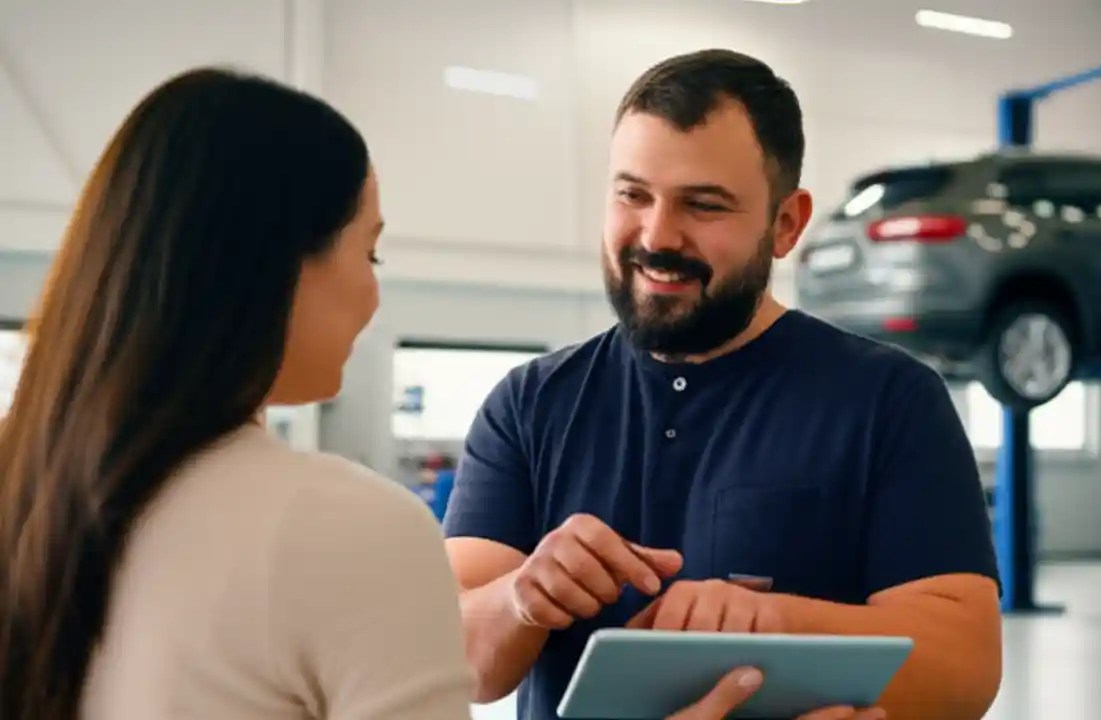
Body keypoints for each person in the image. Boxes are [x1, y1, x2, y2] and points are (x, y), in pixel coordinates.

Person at [0, 67, 860, 720]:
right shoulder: (351, 525)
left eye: (703, 204)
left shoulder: (29, 494)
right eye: (368, 252)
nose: (374, 295)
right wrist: (522, 597)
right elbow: (474, 656)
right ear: (273, 268)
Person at [443, 49, 1004, 720]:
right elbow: (455, 661)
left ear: (786, 224)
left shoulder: (889, 402)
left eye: (703, 205)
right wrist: (521, 598)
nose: (656, 236)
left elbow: (964, 666)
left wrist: (767, 624)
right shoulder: (530, 404)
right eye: (632, 195)